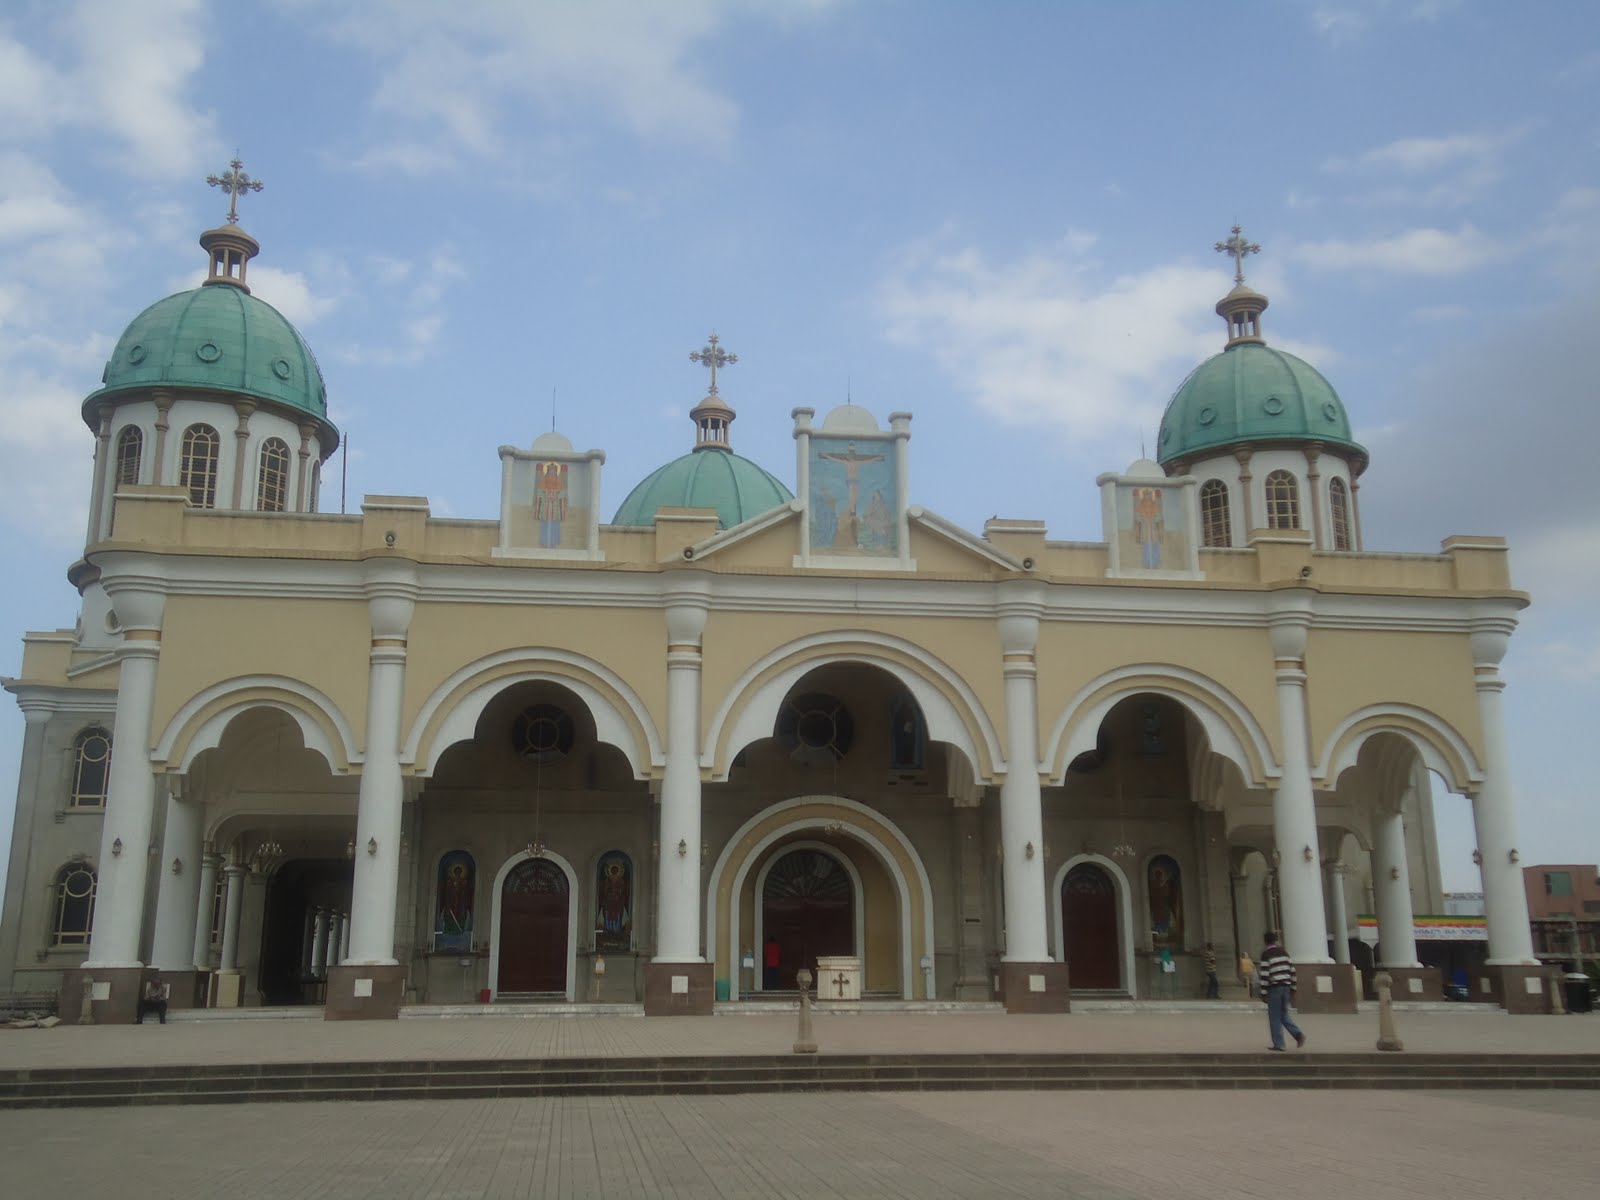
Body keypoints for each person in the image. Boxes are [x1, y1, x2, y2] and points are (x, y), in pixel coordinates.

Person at [1258, 931, 1306, 1052]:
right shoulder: (1284, 953)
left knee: (1274, 1016)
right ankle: (1298, 1034)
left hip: (1274, 987)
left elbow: (1264, 975)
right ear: (1275, 940)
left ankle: (1279, 1044)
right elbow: (1292, 970)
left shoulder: (1266, 954)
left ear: (1265, 941)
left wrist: (1263, 993)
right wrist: (1293, 988)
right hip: (1286, 986)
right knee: (1283, 1014)